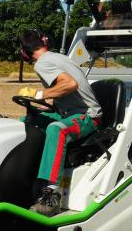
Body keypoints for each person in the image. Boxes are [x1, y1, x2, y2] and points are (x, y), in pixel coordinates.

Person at [16, 29, 102, 217]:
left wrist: (38, 94)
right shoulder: (55, 57)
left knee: (57, 129)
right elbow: (61, 94)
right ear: (44, 41)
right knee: (25, 122)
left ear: (24, 52)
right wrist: (38, 105)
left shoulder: (42, 64)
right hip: (68, 112)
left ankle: (50, 195)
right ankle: (29, 177)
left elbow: (70, 84)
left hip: (86, 117)